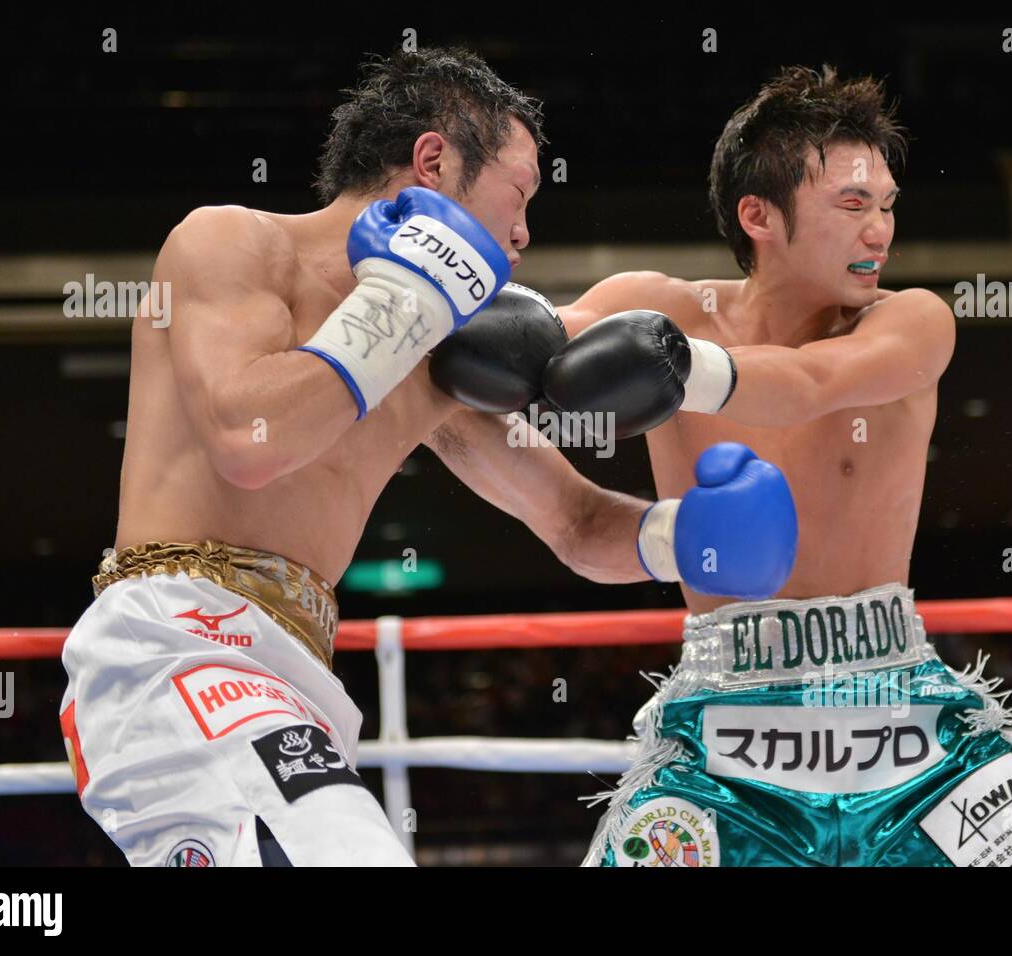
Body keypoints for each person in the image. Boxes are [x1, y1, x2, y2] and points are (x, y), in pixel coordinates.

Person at [58, 45, 797, 867]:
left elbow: (574, 520)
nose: (523, 234)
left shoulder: (438, 353)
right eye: (518, 195)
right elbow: (248, 441)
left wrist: (687, 534)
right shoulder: (232, 245)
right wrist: (405, 301)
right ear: (434, 161)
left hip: (291, 676)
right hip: (179, 644)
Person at [538, 65, 1012, 867]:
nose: (880, 232)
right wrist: (444, 299)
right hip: (727, 730)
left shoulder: (911, 321)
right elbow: (537, 346)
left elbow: (811, 386)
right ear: (758, 215)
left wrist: (674, 365)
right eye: (853, 205)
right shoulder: (663, 305)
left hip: (907, 725)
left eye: (888, 205)